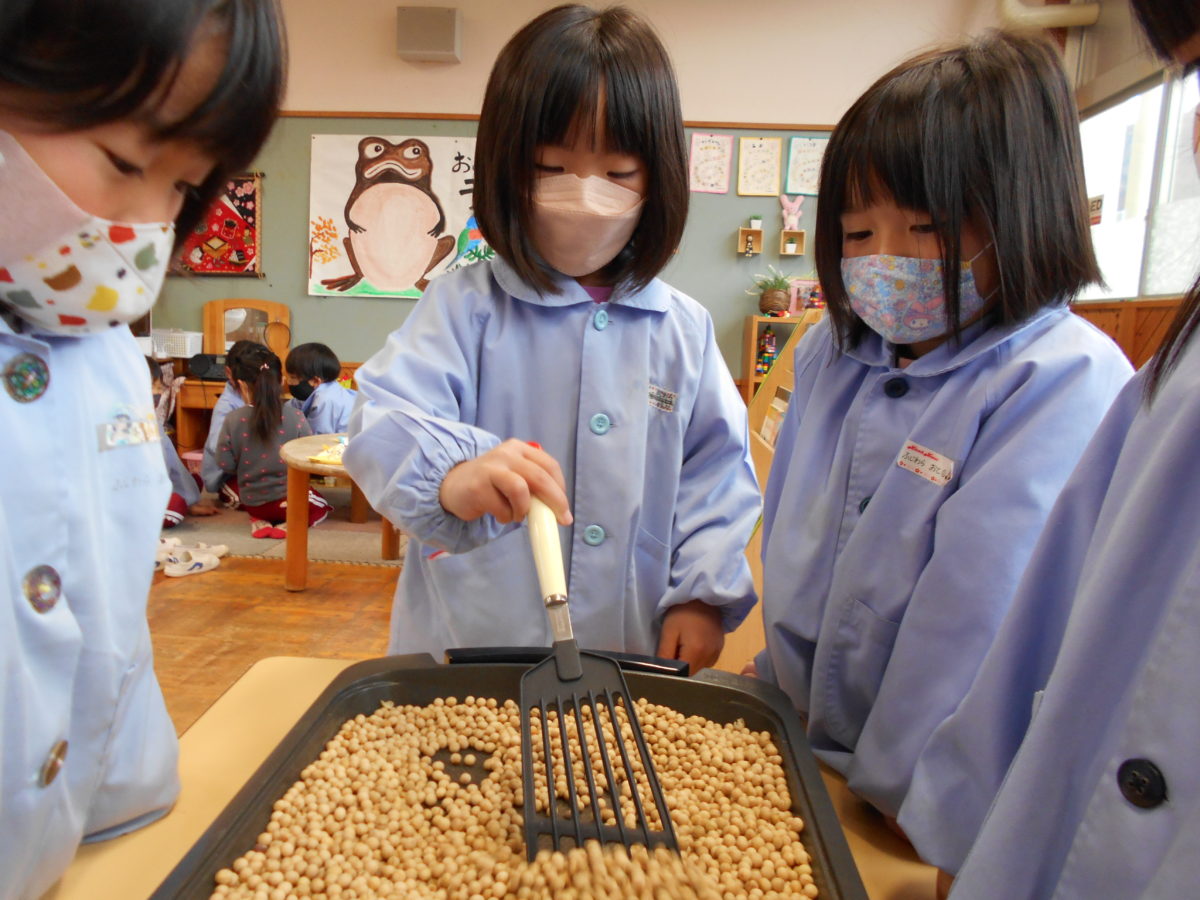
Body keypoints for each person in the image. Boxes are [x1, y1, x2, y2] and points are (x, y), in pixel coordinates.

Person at [751, 30, 1134, 822]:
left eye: (925, 229)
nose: (886, 258)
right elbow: (791, 539)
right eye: (858, 235)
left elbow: (973, 622)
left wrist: (901, 792)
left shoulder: (1061, 379)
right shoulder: (835, 347)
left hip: (932, 791)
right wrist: (775, 712)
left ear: (1022, 213)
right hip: (798, 737)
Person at [344, 4, 759, 674]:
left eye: (618, 174)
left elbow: (716, 477)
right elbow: (381, 420)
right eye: (550, 167)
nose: (585, 197)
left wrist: (702, 596)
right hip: (471, 652)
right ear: (507, 169)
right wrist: (454, 473)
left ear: (658, 180)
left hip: (629, 651)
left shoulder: (681, 328)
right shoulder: (462, 306)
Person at [898, 5, 1200, 896]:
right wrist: (966, 819)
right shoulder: (1173, 372)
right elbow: (1047, 634)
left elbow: (977, 605)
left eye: (926, 230)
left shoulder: (1066, 374)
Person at [0, 0, 284, 895]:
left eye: (182, 186)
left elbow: (109, 607)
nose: (139, 228)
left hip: (104, 820)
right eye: (124, 160)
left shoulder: (114, 361)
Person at [216, 345, 332, 539]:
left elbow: (225, 464)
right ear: (282, 381)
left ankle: (259, 520)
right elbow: (309, 456)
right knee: (323, 506)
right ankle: (291, 525)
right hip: (287, 502)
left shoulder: (232, 419)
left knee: (229, 492)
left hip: (252, 502)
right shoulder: (295, 416)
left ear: (242, 385)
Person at [146, 356, 218, 528]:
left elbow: (171, 464)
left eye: (158, 387)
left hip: (148, 490)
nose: (157, 393)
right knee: (176, 506)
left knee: (193, 483)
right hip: (122, 498)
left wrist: (190, 499)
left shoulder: (151, 423)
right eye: (151, 387)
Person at [200, 338, 263, 508]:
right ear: (229, 373)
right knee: (253, 500)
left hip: (259, 470)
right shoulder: (226, 407)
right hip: (228, 475)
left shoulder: (261, 397)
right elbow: (217, 448)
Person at [285, 341, 356, 434]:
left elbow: (317, 439)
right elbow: (290, 407)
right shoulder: (312, 392)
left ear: (315, 381)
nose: (288, 381)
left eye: (293, 377)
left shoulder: (325, 400)